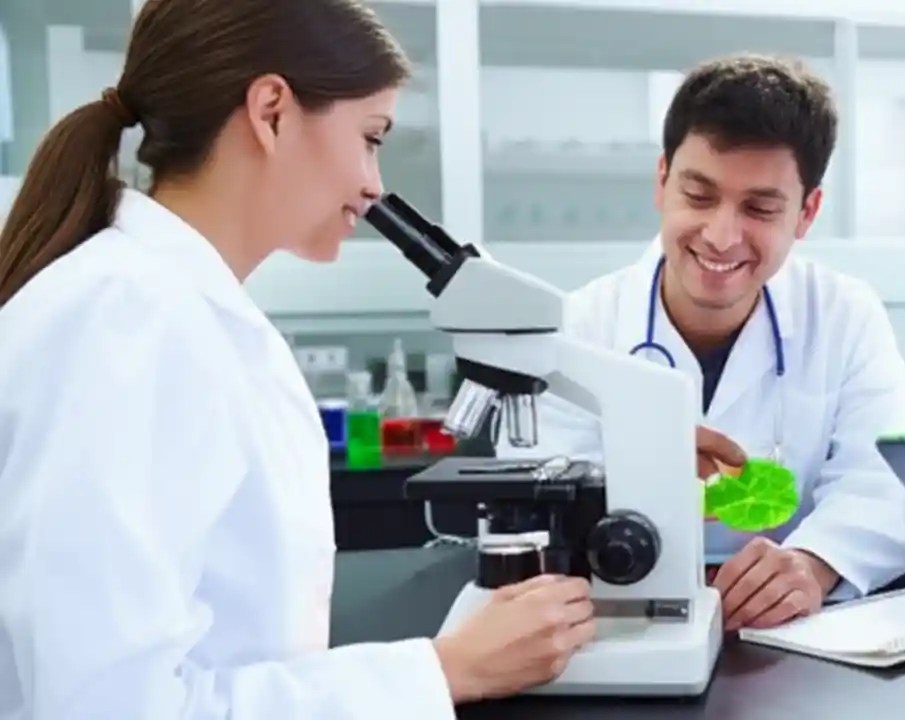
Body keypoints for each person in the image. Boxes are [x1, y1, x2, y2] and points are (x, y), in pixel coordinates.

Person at [0, 1, 597, 717]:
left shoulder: (177, 308)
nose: (376, 185)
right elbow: (107, 706)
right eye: (370, 138)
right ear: (272, 111)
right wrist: (441, 672)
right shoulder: (126, 322)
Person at [497, 53, 905, 633]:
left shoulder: (845, 316)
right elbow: (533, 499)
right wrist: (645, 473)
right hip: (621, 621)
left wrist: (816, 562)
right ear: (662, 181)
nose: (722, 236)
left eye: (760, 208)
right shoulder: (583, 326)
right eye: (698, 197)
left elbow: (887, 480)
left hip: (793, 635)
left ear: (807, 213)